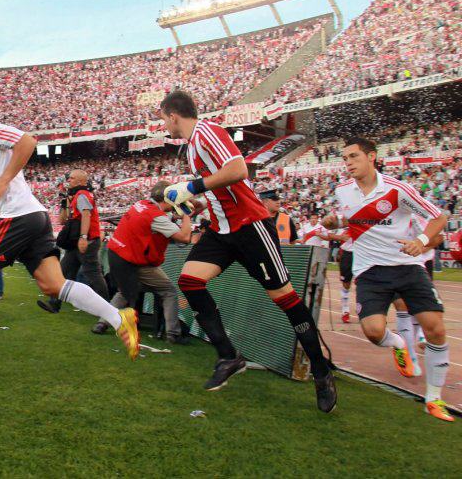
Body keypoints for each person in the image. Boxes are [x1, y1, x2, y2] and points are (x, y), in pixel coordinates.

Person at [159, 90, 336, 412]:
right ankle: (229, 356)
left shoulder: (207, 131)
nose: (163, 126)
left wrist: (193, 186)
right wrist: (194, 202)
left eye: (162, 118)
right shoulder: (192, 145)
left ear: (173, 115)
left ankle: (321, 372)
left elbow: (238, 170)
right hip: (221, 229)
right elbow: (220, 189)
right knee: (189, 281)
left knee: (284, 299)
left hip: (250, 227)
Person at [0, 92, 137, 371]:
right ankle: (119, 318)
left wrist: (5, 179)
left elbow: (27, 141)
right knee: (53, 285)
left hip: (18, 216)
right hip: (34, 216)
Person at [323, 137, 452, 421]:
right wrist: (336, 222)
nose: (348, 163)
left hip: (408, 266)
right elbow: (355, 219)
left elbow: (439, 217)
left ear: (372, 157)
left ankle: (434, 398)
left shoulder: (398, 189)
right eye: (345, 158)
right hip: (369, 270)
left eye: (354, 157)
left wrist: (420, 240)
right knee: (373, 331)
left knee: (436, 329)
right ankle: (399, 344)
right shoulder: (344, 190)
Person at [91, 181, 199, 344]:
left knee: (125, 292)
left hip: (116, 255)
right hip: (133, 260)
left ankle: (101, 323)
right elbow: (184, 237)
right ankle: (173, 334)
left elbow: (157, 218)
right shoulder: (156, 216)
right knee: (168, 290)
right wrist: (186, 216)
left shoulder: (141, 204)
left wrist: (175, 215)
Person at [39, 169, 107, 313]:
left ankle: (107, 309)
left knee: (93, 275)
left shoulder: (82, 195)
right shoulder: (77, 196)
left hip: (86, 241)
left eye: (72, 178)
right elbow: (63, 220)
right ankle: (54, 303)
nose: (68, 180)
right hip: (77, 242)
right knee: (63, 271)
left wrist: (83, 237)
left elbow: (86, 215)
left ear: (81, 181)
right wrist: (66, 204)